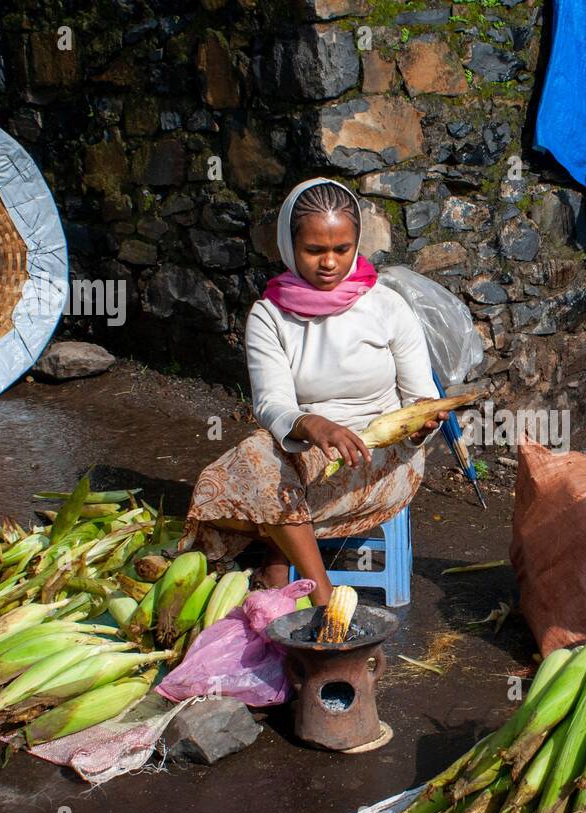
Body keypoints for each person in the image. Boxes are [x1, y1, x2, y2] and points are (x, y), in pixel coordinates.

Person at [179, 178, 447, 605]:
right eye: (314, 250)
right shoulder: (269, 316)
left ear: (356, 243)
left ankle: (287, 558)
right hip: (303, 447)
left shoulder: (387, 306)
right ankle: (318, 585)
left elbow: (420, 398)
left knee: (259, 495)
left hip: (382, 455)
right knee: (247, 464)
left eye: (341, 249)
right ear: (289, 245)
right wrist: (313, 424)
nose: (329, 263)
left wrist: (420, 428)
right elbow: (271, 404)